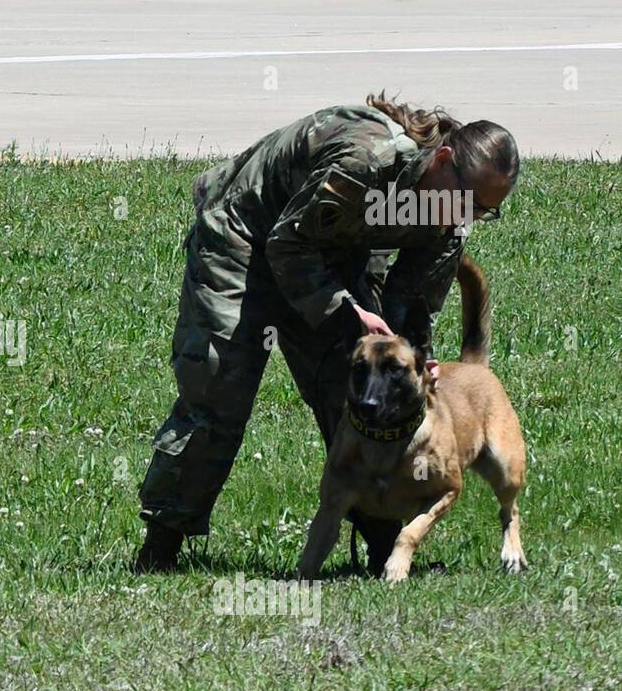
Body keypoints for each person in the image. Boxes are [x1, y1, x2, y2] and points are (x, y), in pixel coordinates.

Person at [135, 94, 519, 575]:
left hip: (333, 252)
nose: (467, 218)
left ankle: (384, 545)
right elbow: (287, 242)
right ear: (443, 161)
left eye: (484, 212)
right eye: (469, 201)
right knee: (219, 385)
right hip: (245, 239)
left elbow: (411, 307)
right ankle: (161, 546)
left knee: (365, 389)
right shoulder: (368, 159)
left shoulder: (446, 217)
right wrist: (347, 309)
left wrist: (420, 362)